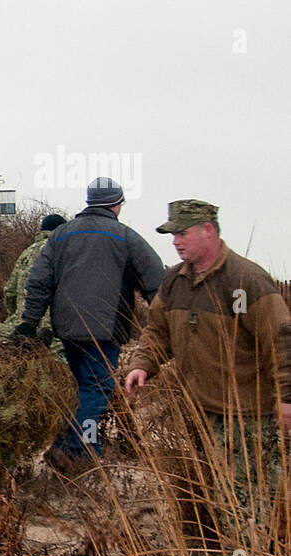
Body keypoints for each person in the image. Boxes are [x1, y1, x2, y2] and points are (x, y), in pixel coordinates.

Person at [124, 200, 291, 536]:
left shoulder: (245, 280)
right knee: (230, 494)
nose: (175, 241)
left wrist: (286, 399)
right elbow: (158, 330)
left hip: (248, 415)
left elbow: (281, 340)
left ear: (208, 231)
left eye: (182, 233)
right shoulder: (175, 281)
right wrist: (143, 364)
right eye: (173, 235)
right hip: (203, 410)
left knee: (245, 498)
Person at [15, 177, 163, 472]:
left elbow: (39, 281)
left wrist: (29, 323)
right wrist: (166, 321)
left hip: (67, 329)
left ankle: (89, 448)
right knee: (97, 390)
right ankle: (71, 450)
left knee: (82, 389)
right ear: (117, 204)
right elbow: (155, 279)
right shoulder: (125, 236)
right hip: (105, 330)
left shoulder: (60, 236)